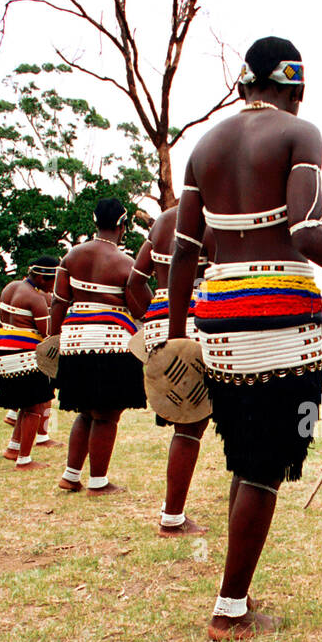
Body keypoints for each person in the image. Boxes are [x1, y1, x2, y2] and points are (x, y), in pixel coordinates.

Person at [170, 36, 322, 640]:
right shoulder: (299, 136)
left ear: (243, 83)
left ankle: (238, 594)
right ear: (296, 88)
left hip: (218, 310)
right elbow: (306, 231)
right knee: (262, 466)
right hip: (281, 312)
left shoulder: (203, 146)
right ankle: (229, 610)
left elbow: (183, 250)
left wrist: (177, 338)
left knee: (247, 457)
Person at [50, 198, 148, 495]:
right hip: (111, 345)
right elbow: (139, 307)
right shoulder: (125, 262)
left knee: (85, 410)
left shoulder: (70, 257)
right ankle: (98, 482)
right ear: (122, 225)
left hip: (74, 341)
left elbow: (58, 302)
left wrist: (52, 341)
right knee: (106, 414)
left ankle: (70, 475)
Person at [131, 205, 215, 536]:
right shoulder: (212, 218)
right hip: (197, 319)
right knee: (190, 426)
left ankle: (174, 512)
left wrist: (153, 315)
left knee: (187, 424)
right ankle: (172, 517)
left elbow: (134, 282)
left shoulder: (162, 221)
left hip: (159, 323)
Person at [0, 258, 59, 470]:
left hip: (1, 347)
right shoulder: (35, 298)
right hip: (22, 353)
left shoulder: (10, 287)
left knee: (25, 403)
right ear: (40, 277)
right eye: (51, 282)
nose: (52, 287)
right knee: (35, 405)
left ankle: (13, 448)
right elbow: (47, 332)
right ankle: (24, 460)